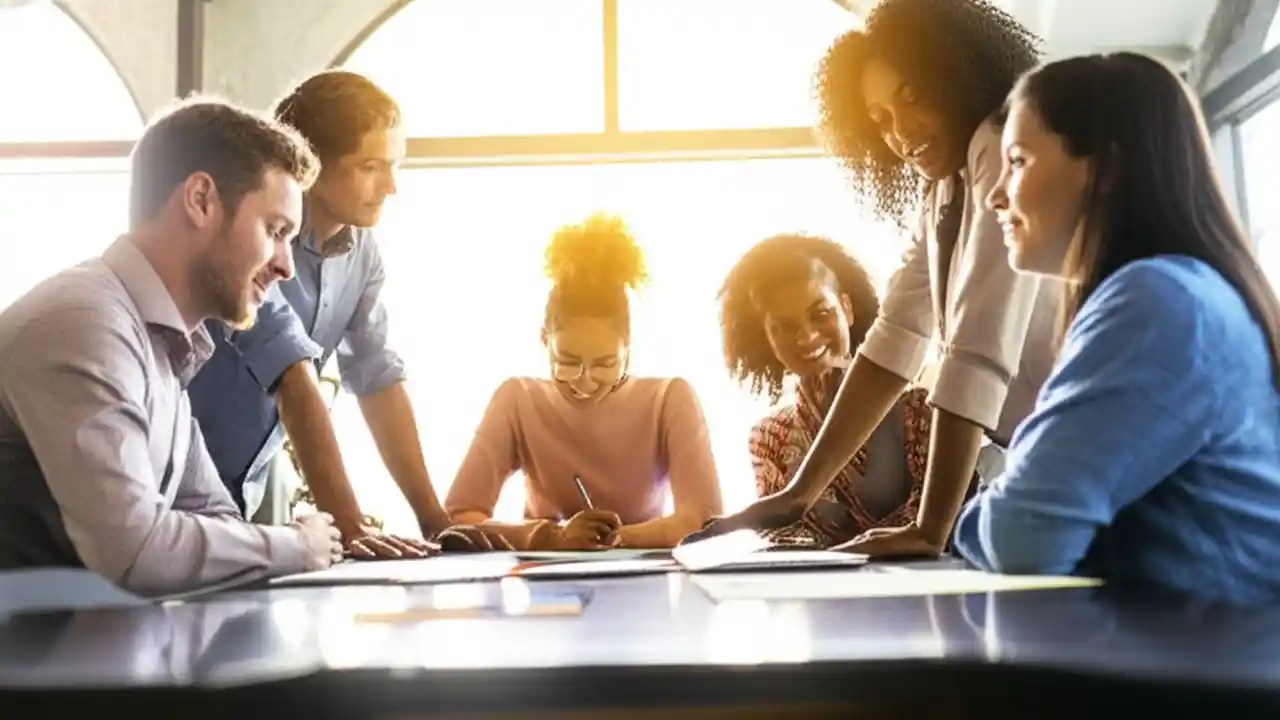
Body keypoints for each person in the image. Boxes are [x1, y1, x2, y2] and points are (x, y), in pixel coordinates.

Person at [691, 0, 1060, 557]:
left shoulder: (1000, 145)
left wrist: (929, 529)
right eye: (880, 118)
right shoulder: (945, 190)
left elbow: (977, 347)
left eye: (912, 98)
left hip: (1094, 455)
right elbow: (894, 338)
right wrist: (799, 494)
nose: (899, 131)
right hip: (1049, 458)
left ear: (956, 72)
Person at [953, 53, 1280, 603]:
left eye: (1019, 160)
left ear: (1105, 171)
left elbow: (1021, 537)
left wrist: (975, 517)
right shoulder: (1182, 289)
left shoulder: (1157, 300)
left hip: (1212, 672)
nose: (995, 195)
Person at [0, 98, 343, 596]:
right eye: (274, 231)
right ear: (201, 199)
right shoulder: (84, 324)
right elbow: (135, 550)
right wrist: (296, 546)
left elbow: (214, 516)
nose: (286, 266)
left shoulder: (161, 345)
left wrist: (271, 544)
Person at [187, 71, 502, 558]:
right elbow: (292, 376)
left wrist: (435, 522)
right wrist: (352, 529)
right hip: (163, 494)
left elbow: (376, 379)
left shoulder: (363, 254)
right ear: (310, 164)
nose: (391, 186)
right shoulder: (249, 237)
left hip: (232, 505)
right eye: (371, 166)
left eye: (394, 165)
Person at [445, 213, 723, 549]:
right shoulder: (517, 398)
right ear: (544, 339)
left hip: (646, 584)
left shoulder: (670, 398)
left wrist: (616, 538)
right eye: (567, 363)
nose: (585, 382)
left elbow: (704, 521)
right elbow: (458, 518)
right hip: (545, 588)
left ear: (628, 346)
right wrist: (550, 536)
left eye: (606, 364)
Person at [718, 234, 933, 547]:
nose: (806, 337)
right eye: (784, 327)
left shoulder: (917, 411)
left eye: (821, 314)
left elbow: (935, 517)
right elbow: (779, 536)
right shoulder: (769, 436)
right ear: (766, 338)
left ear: (846, 308)